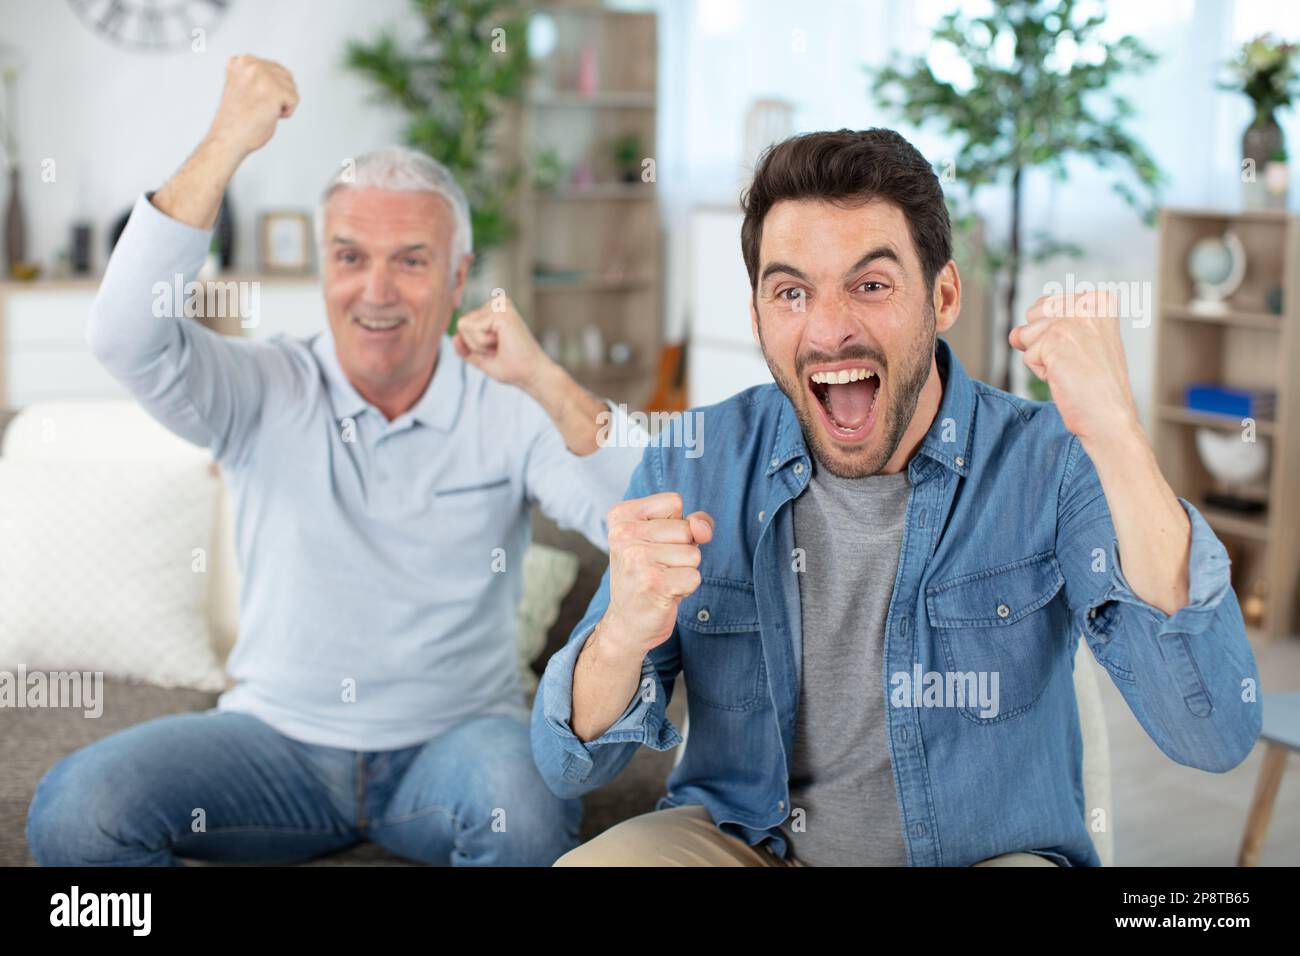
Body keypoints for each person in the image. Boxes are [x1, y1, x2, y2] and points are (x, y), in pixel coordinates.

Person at [531, 127, 1263, 867]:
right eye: (791, 293)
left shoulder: (1052, 461)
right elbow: (567, 763)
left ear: (942, 296)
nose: (829, 330)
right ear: (757, 317)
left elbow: (1212, 733)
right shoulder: (694, 458)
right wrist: (624, 632)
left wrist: (1118, 433)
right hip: (744, 843)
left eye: (871, 285)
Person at [27, 55, 644, 867]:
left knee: (524, 816)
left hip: (457, 747)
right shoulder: (262, 387)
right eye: (350, 257)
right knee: (75, 814)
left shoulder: (507, 402)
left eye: (412, 260)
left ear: (458, 276)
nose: (376, 290)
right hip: (274, 746)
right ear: (325, 270)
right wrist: (226, 141)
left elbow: (642, 502)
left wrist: (546, 379)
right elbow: (123, 337)